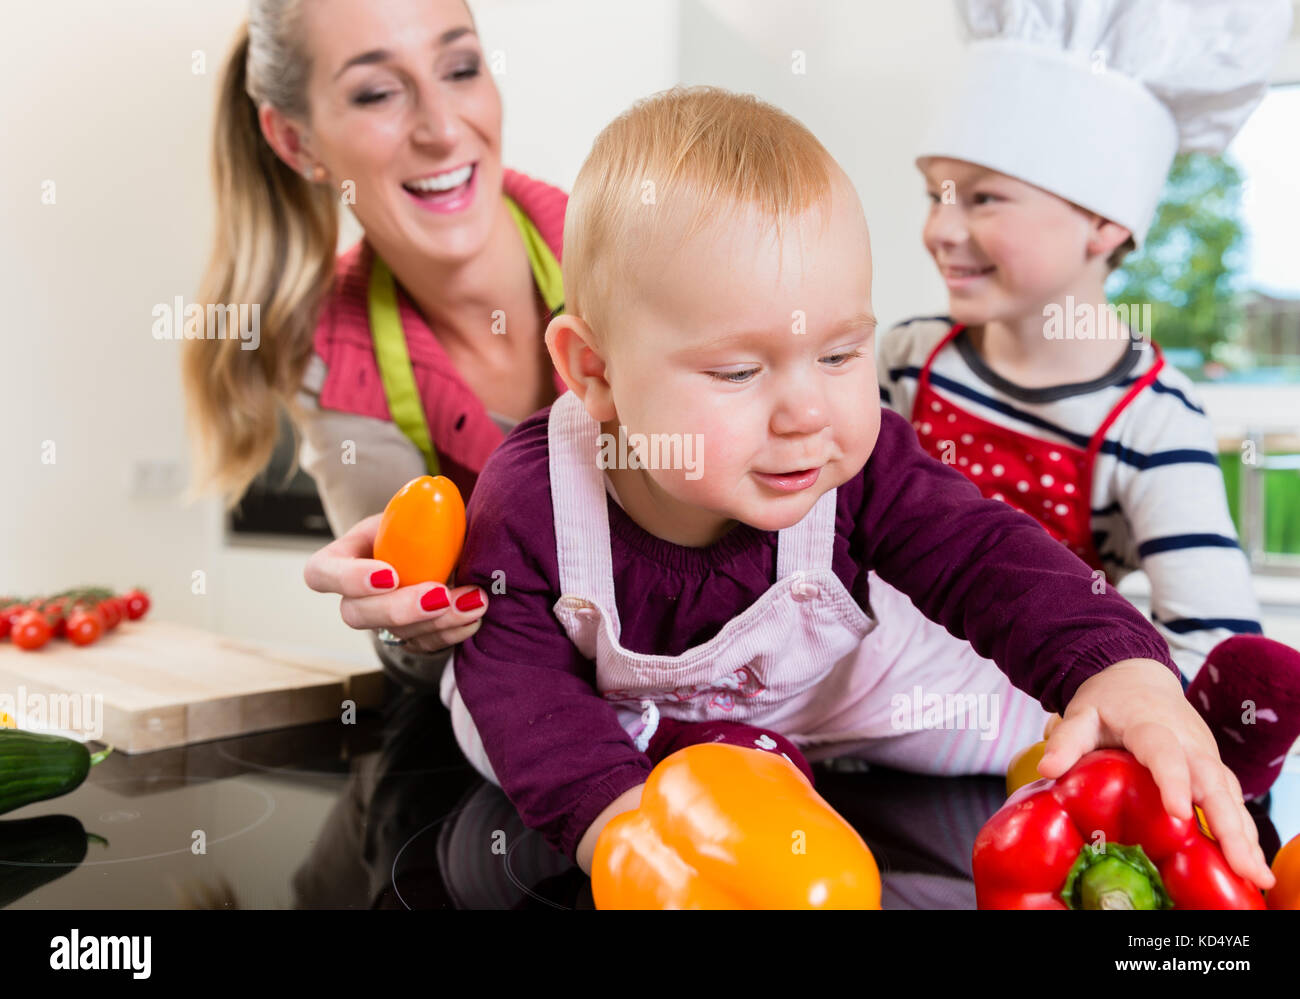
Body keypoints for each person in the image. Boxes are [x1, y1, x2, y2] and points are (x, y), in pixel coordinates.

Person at [441, 85, 1273, 890]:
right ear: (595, 370)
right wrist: (629, 834)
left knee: (1045, 727)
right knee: (490, 718)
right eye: (737, 370)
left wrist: (1118, 672)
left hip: (856, 697)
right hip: (625, 723)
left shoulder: (863, 466)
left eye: (840, 355)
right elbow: (522, 684)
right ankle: (718, 761)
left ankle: (1199, 732)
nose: (809, 411)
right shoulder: (532, 499)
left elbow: (987, 555)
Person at [879, 0, 1300, 803]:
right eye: (936, 194)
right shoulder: (906, 357)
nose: (939, 227)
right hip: (876, 678)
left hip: (1040, 707)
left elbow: (1212, 635)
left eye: (983, 198)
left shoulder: (1153, 416)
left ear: (1104, 222)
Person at [181, 0, 567, 683]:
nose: (444, 130)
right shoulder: (334, 356)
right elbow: (420, 631)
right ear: (297, 143)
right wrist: (407, 628)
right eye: (377, 93)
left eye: (460, 68)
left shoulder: (629, 254)